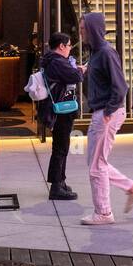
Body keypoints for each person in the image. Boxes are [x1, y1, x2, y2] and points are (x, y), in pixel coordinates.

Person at [79, 12, 133, 225]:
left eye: (83, 28)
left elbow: (120, 86)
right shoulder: (97, 52)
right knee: (97, 163)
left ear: (92, 29)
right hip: (105, 111)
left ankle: (104, 212)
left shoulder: (105, 52)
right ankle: (131, 188)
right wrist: (86, 70)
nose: (80, 32)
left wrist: (108, 112)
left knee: (96, 166)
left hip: (106, 112)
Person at [39, 32, 84, 200]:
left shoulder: (52, 60)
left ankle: (61, 181)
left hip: (58, 109)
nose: (70, 48)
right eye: (69, 45)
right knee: (61, 148)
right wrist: (79, 70)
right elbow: (75, 76)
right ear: (61, 46)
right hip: (60, 110)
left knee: (61, 146)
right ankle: (56, 186)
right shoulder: (57, 61)